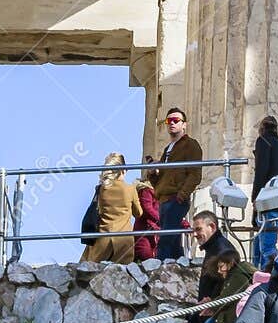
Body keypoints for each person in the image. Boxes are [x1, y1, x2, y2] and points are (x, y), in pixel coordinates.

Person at [190, 210, 237, 323]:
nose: (195, 234)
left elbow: (232, 286)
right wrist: (192, 320)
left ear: (212, 227)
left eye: (198, 229)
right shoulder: (213, 250)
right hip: (213, 314)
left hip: (220, 315)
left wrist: (214, 304)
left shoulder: (223, 250)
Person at [153, 107, 203, 260]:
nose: (172, 123)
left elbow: (195, 174)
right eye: (169, 121)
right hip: (164, 200)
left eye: (176, 120)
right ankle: (180, 268)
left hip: (176, 199)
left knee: (165, 239)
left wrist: (182, 195)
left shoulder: (191, 144)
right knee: (173, 241)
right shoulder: (168, 149)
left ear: (184, 124)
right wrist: (152, 174)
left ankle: (158, 270)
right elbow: (160, 180)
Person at [251, 115, 278, 267]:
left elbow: (261, 173)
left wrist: (254, 200)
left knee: (267, 250)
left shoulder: (263, 142)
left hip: (267, 205)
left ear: (262, 129)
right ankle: (255, 280)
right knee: (258, 246)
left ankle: (272, 279)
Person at [84, 153, 144, 263]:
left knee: (92, 274)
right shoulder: (130, 189)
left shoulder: (101, 189)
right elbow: (139, 213)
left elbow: (98, 210)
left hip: (102, 239)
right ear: (123, 169)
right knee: (121, 276)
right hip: (123, 241)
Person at [134, 166, 160, 261]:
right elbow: (147, 208)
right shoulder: (146, 190)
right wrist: (162, 219)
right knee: (145, 255)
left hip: (155, 231)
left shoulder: (161, 192)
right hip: (145, 230)